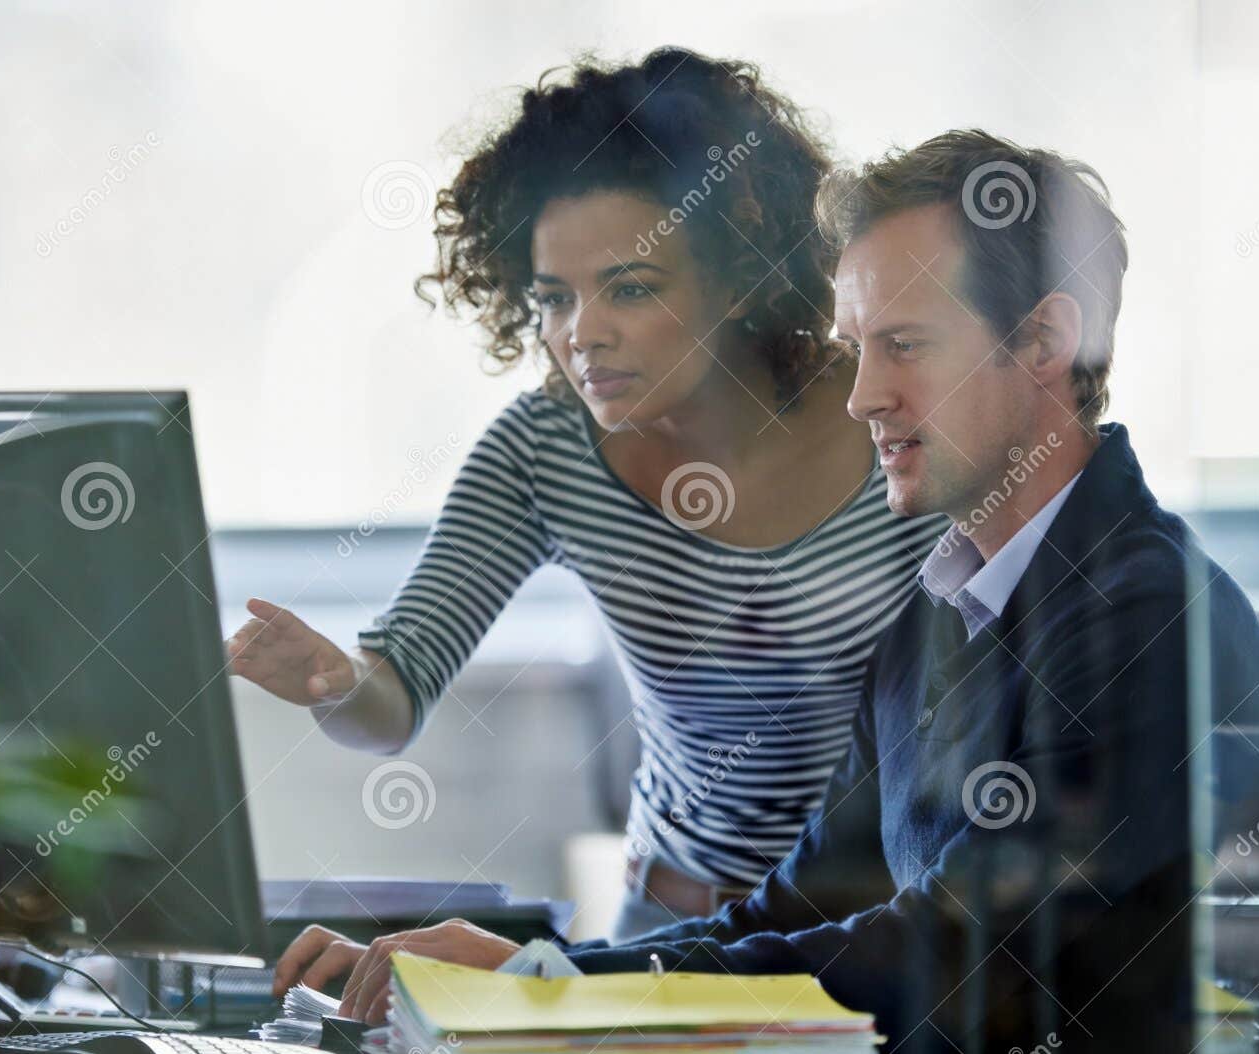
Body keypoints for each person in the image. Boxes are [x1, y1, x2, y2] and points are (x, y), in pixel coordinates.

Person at [275, 131, 1259, 1054]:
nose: (861, 398)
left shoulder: (1142, 609)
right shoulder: (939, 609)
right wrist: (534, 972)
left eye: (903, 346)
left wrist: (556, 991)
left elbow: (945, 957)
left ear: (1043, 338)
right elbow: (795, 905)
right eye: (855, 348)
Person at [226, 48, 947, 938]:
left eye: (630, 290)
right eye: (554, 299)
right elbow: (395, 692)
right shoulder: (544, 449)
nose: (581, 337)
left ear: (738, 276)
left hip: (874, 934)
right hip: (669, 930)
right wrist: (333, 683)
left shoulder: (886, 410)